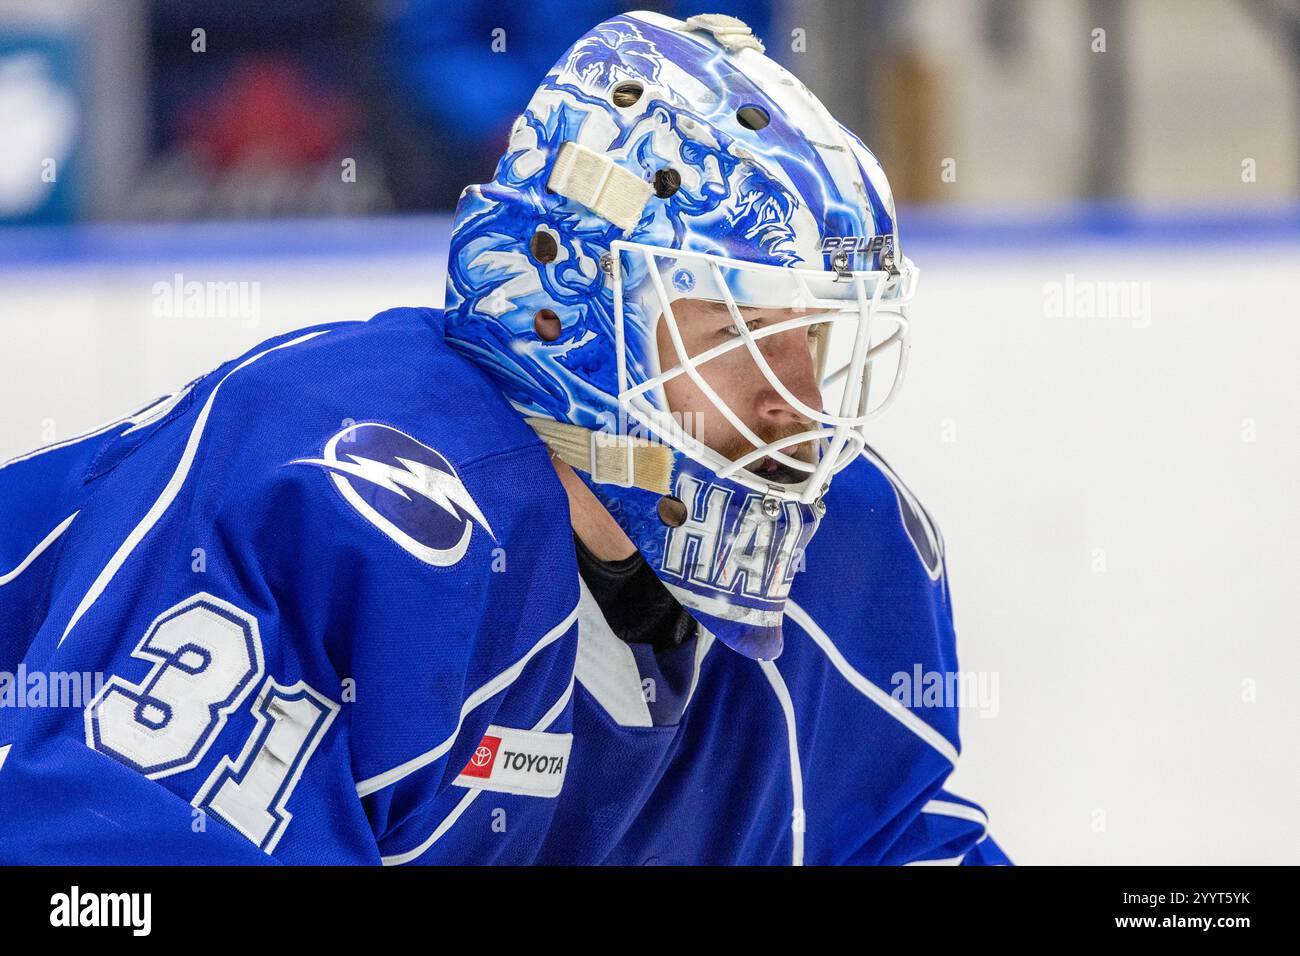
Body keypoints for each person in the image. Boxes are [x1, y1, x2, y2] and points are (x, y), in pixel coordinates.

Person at [0, 11, 1008, 865]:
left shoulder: (845, 548)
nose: (797, 403)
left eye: (819, 344)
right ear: (572, 303)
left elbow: (892, 840)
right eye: (742, 333)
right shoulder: (347, 496)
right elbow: (99, 873)